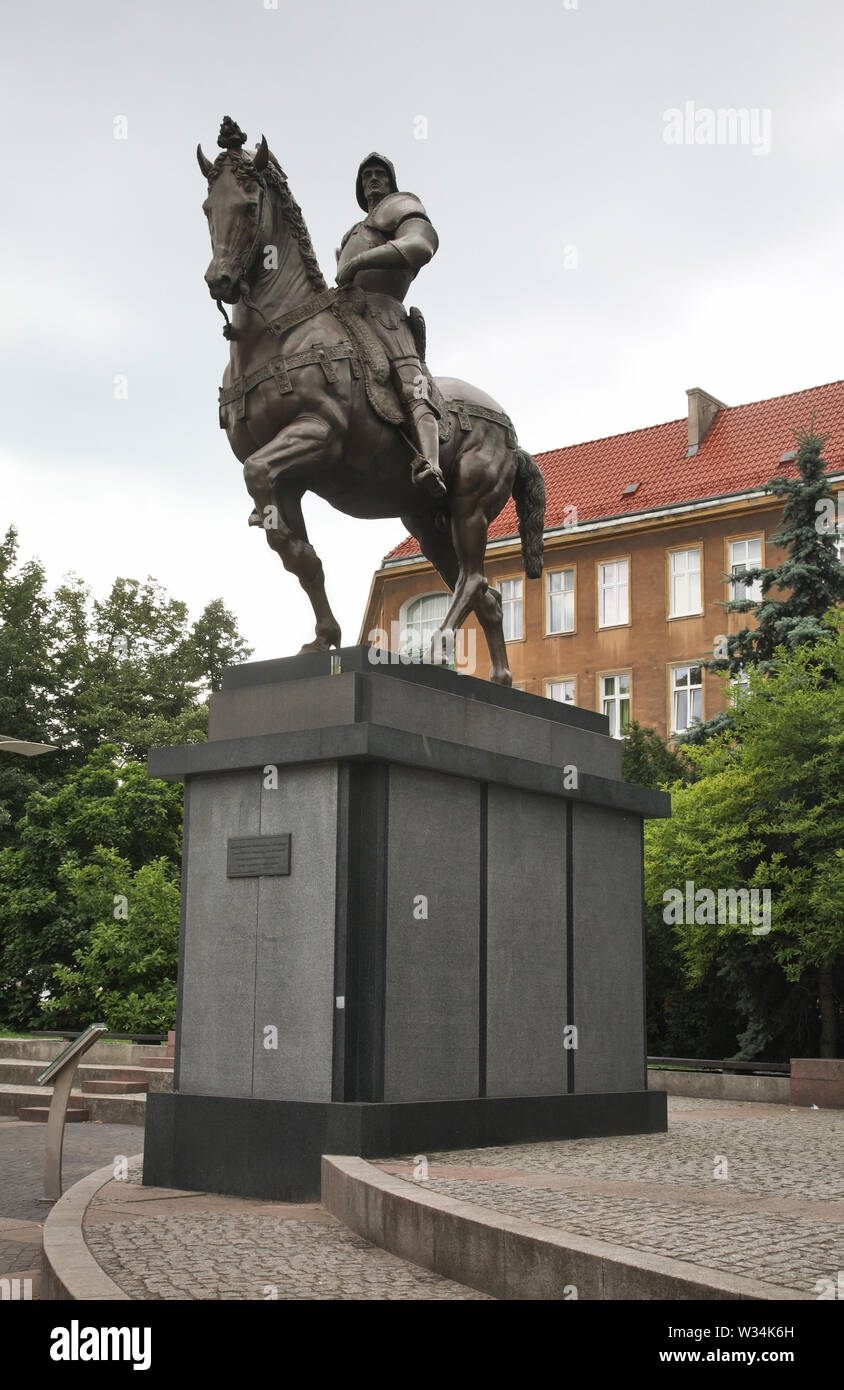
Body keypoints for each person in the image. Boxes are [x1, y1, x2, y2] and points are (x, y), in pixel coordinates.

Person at [336, 154, 446, 497]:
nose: (372, 179)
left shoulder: (402, 205)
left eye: (379, 174)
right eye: (366, 174)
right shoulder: (353, 231)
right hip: (348, 310)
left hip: (386, 313)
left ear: (391, 181)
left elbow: (421, 244)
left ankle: (431, 462)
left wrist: (359, 261)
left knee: (410, 382)